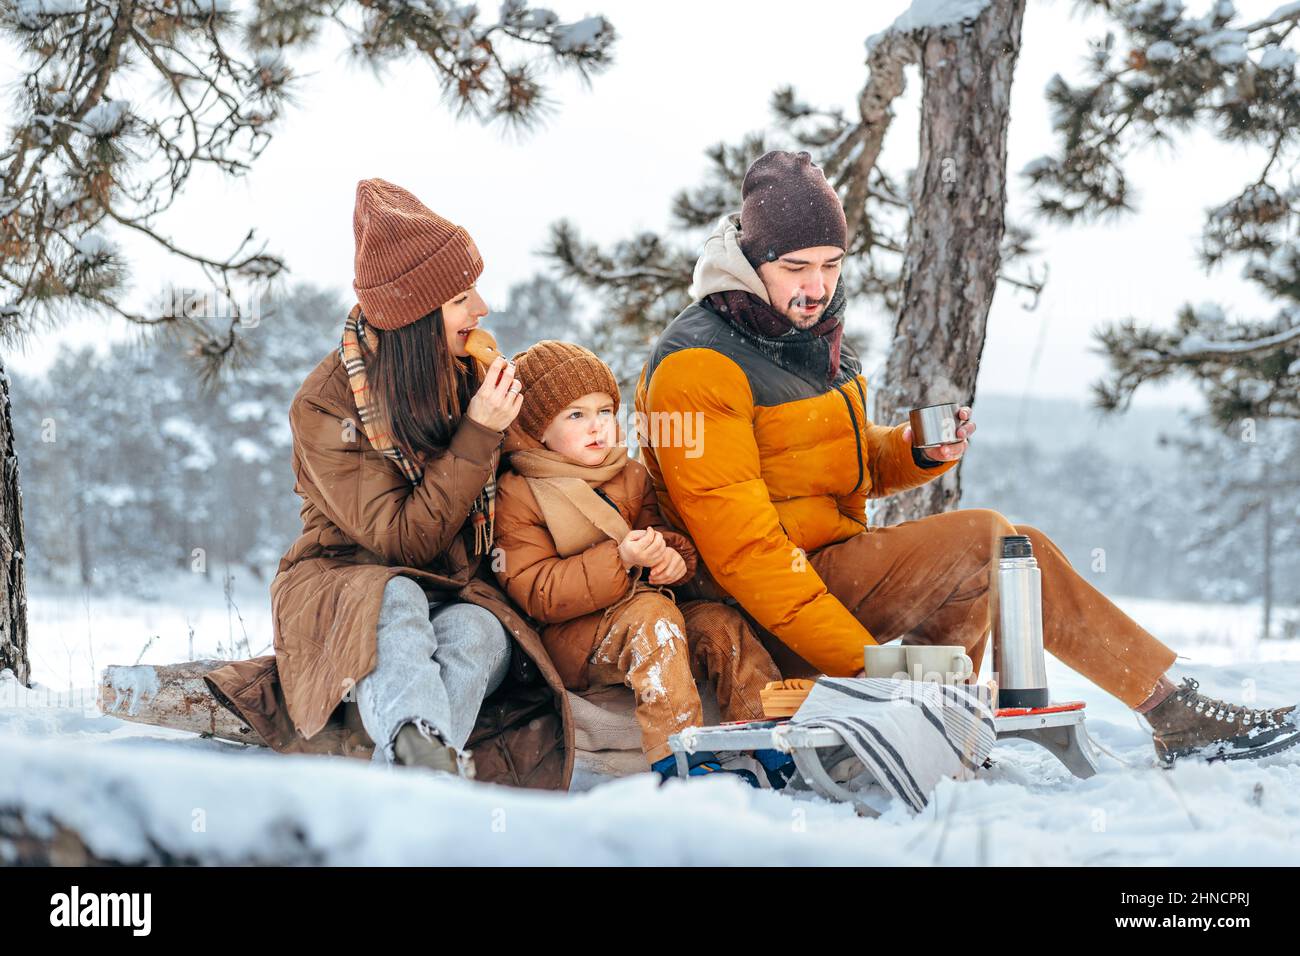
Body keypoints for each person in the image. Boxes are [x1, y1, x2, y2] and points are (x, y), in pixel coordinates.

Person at [634, 149, 1299, 767]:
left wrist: (914, 451)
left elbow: (834, 464)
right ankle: (913, 715)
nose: (817, 287)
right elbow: (744, 551)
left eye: (832, 265)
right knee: (986, 540)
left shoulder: (809, 333)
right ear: (753, 261)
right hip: (751, 602)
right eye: (796, 267)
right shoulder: (699, 365)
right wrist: (867, 670)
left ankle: (1160, 709)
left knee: (1018, 554)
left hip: (830, 570)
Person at [208, 179, 574, 786]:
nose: (481, 308)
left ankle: (416, 765)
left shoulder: (468, 375)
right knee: (394, 595)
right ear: (417, 318)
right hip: (343, 583)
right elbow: (403, 542)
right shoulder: (326, 406)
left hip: (454, 590)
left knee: (482, 630)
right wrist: (478, 433)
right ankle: (422, 766)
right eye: (462, 297)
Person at [491, 341, 795, 787]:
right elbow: (537, 590)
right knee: (653, 619)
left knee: (718, 623)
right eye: (575, 415)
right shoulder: (520, 492)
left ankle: (772, 733)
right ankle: (679, 754)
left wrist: (671, 559)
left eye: (604, 411)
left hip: (651, 607)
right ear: (538, 430)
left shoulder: (628, 474)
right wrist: (619, 558)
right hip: (576, 634)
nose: (596, 426)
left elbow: (659, 533)